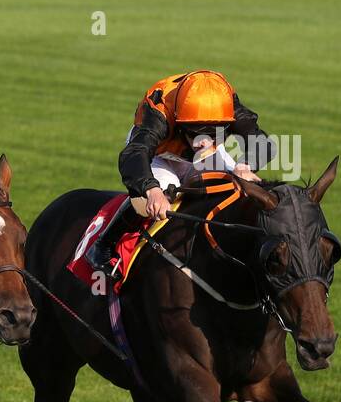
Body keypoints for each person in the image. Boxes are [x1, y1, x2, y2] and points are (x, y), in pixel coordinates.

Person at [87, 69, 277, 275]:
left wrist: (245, 166)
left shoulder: (227, 106)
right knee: (169, 191)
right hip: (160, 154)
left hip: (201, 157)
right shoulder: (160, 111)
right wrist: (152, 190)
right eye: (194, 132)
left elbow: (264, 143)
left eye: (213, 133)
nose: (202, 142)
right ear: (178, 119)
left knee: (239, 187)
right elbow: (135, 153)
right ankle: (104, 243)